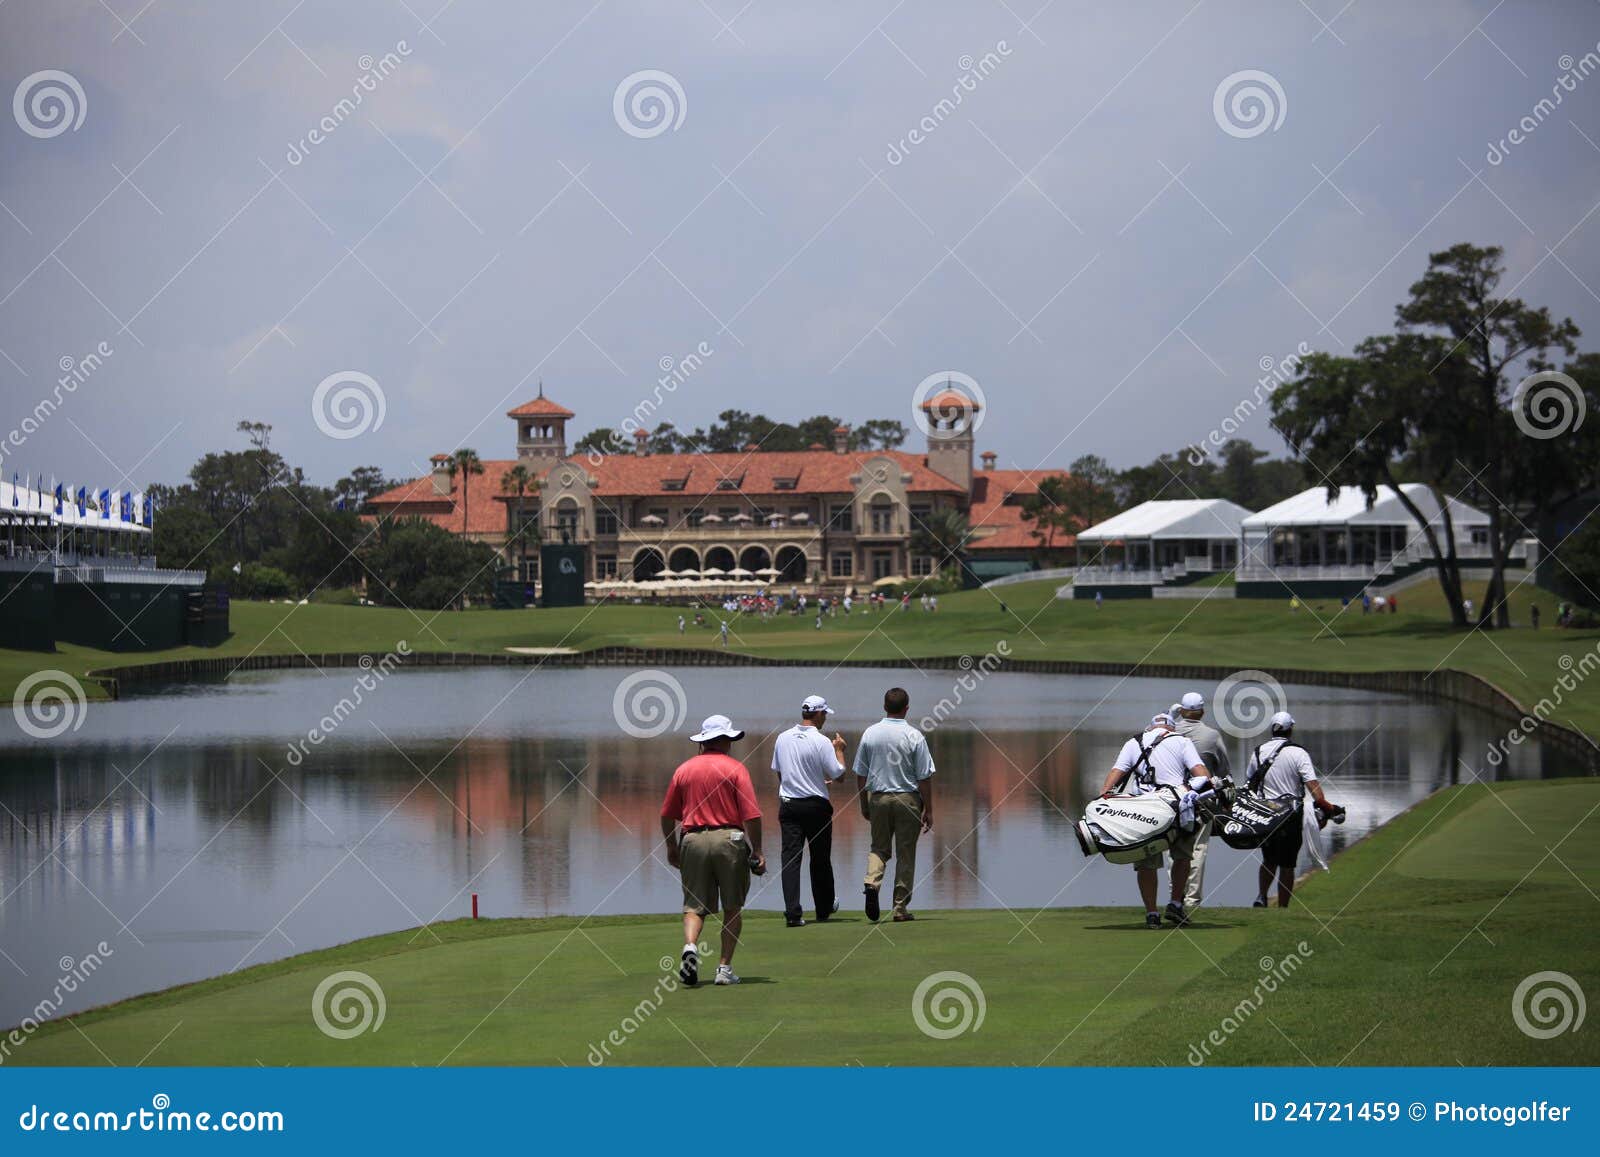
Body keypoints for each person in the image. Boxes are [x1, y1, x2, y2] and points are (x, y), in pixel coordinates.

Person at [659, 714, 765, 986]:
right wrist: (758, 851)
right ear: (725, 741)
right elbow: (752, 815)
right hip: (729, 839)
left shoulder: (684, 770)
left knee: (694, 906)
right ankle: (723, 969)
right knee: (732, 907)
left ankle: (691, 946)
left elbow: (666, 814)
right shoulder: (736, 769)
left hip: (692, 840)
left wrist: (671, 846)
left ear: (704, 742)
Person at [1101, 713, 1211, 929]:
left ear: (1150, 728)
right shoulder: (1182, 741)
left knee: (1146, 862)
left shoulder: (1134, 742)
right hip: (1177, 807)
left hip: (1144, 810)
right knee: (1182, 855)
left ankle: (1152, 913)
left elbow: (1114, 777)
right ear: (1171, 728)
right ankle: (1176, 904)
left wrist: (1105, 801)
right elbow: (1202, 776)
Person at [855, 687, 935, 922]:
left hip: (878, 797)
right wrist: (929, 810)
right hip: (907, 798)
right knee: (905, 853)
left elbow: (860, 773)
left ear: (884, 707)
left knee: (879, 848)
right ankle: (899, 909)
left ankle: (872, 883)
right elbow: (924, 777)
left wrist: (863, 802)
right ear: (907, 708)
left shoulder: (870, 733)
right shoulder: (914, 735)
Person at [1246, 711, 1338, 909]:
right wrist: (1325, 807)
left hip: (1265, 814)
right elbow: (1313, 787)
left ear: (1272, 729)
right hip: (1291, 814)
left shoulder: (1258, 751)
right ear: (1290, 730)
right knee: (1288, 864)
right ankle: (1283, 907)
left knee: (1269, 859)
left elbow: (1249, 785)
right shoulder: (1299, 753)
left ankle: (1261, 896)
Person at [772, 694, 847, 927]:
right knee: (820, 859)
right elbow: (840, 775)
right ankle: (823, 910)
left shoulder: (782, 738)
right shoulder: (823, 741)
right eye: (824, 713)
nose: (825, 717)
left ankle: (793, 914)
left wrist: (808, 782)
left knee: (790, 860)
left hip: (790, 805)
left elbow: (781, 774)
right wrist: (840, 749)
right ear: (816, 713)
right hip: (816, 807)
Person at [1170, 691, 1231, 912]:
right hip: (1202, 800)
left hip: (1172, 800)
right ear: (1202, 711)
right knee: (1197, 849)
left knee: (1174, 849)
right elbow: (1224, 770)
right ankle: (1190, 900)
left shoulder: (1170, 732)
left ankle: (1174, 895)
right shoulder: (1212, 735)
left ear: (1182, 710)